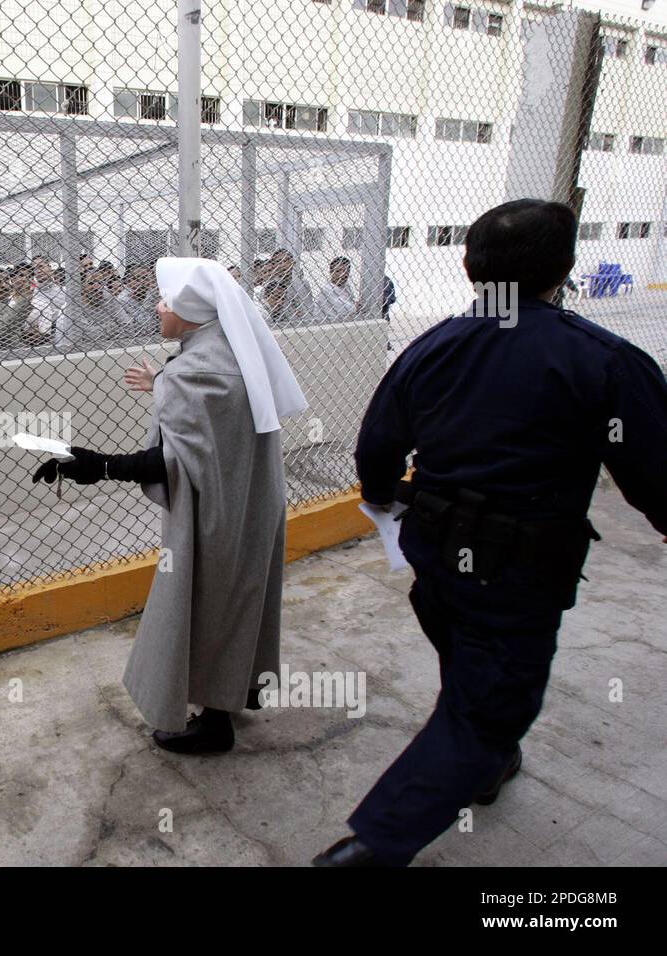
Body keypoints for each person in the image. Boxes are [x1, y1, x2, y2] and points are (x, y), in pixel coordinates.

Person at [314, 199, 667, 867]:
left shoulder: (432, 346)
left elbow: (378, 446)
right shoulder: (603, 360)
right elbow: (654, 468)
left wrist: (386, 503)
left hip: (435, 549)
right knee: (492, 706)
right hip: (519, 568)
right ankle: (370, 848)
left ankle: (485, 768)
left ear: (470, 265)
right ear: (563, 269)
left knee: (471, 665)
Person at [32, 257, 308, 752]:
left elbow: (175, 461)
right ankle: (236, 689)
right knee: (242, 592)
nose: (157, 306)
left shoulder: (197, 371)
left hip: (217, 520)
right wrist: (161, 380)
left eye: (166, 299)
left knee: (209, 601)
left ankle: (214, 724)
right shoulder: (226, 350)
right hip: (252, 505)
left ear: (190, 310)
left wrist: (100, 465)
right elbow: (210, 418)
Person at [317, 256, 359, 325]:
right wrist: (355, 306)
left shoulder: (346, 286)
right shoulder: (327, 289)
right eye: (338, 271)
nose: (342, 274)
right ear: (331, 272)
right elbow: (343, 309)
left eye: (346, 271)